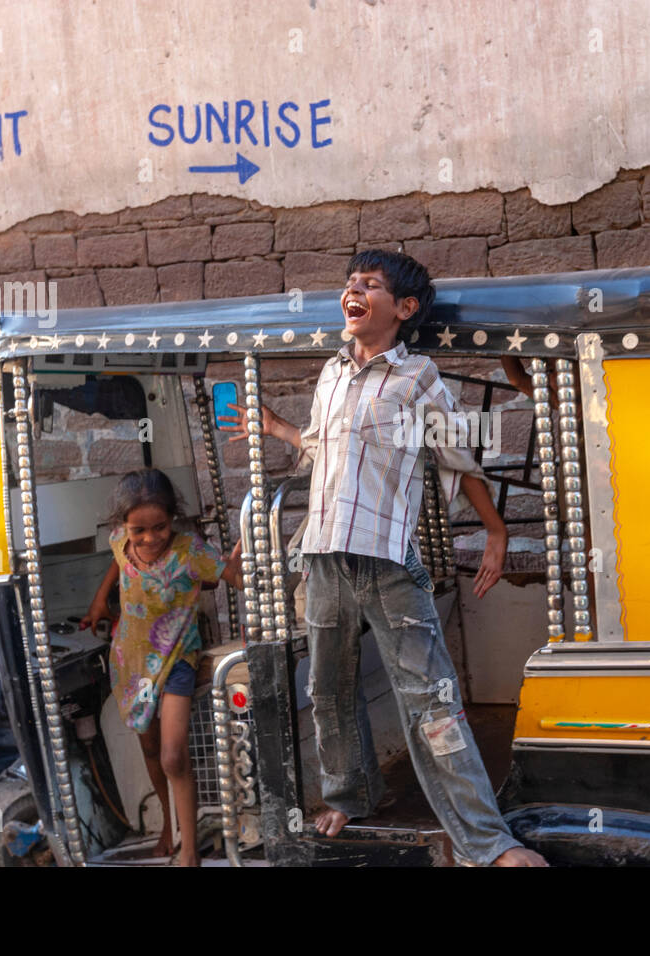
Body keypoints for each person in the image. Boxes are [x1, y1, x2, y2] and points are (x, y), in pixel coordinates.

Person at [221, 249, 548, 867]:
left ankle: (489, 842)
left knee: (433, 701)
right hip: (322, 556)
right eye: (350, 282)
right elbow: (324, 448)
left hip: (388, 562)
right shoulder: (331, 373)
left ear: (403, 308)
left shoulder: (417, 377)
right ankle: (353, 793)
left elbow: (455, 455)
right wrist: (278, 429)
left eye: (369, 284)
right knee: (328, 688)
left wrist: (497, 532)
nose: (354, 290)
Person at [81, 467, 239, 867]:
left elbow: (227, 576)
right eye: (140, 531)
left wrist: (236, 565)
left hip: (178, 660)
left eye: (160, 527)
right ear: (124, 526)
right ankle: (169, 824)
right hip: (131, 664)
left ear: (173, 519)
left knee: (172, 756)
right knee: (150, 748)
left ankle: (189, 852)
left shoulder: (190, 550)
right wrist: (100, 601)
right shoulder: (120, 541)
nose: (150, 538)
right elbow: (118, 564)